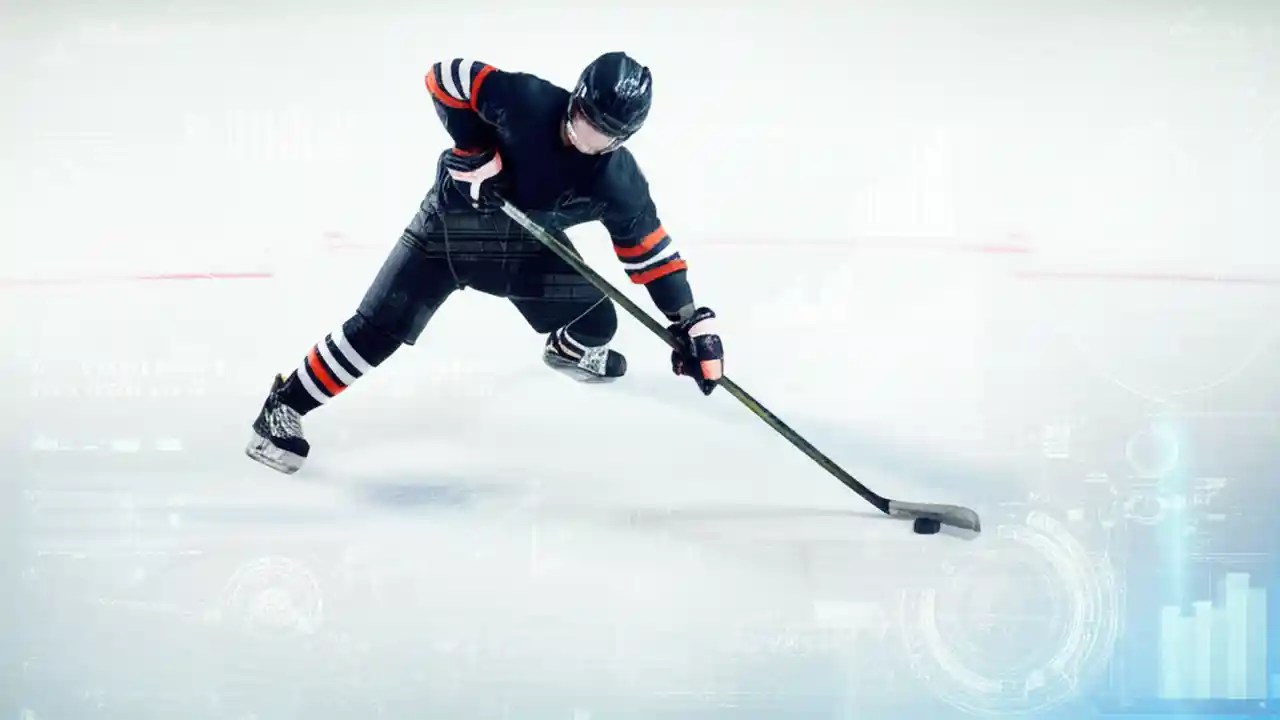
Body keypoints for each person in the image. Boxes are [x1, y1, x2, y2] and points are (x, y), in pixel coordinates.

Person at [245, 51, 725, 474]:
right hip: (450, 236)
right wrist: (473, 149)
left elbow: (650, 253)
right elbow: (445, 77)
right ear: (575, 99)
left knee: (596, 319)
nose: (587, 139)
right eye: (585, 121)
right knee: (377, 332)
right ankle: (282, 408)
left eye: (604, 137)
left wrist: (689, 320)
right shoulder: (526, 100)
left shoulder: (619, 184)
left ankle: (568, 351)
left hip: (524, 252)